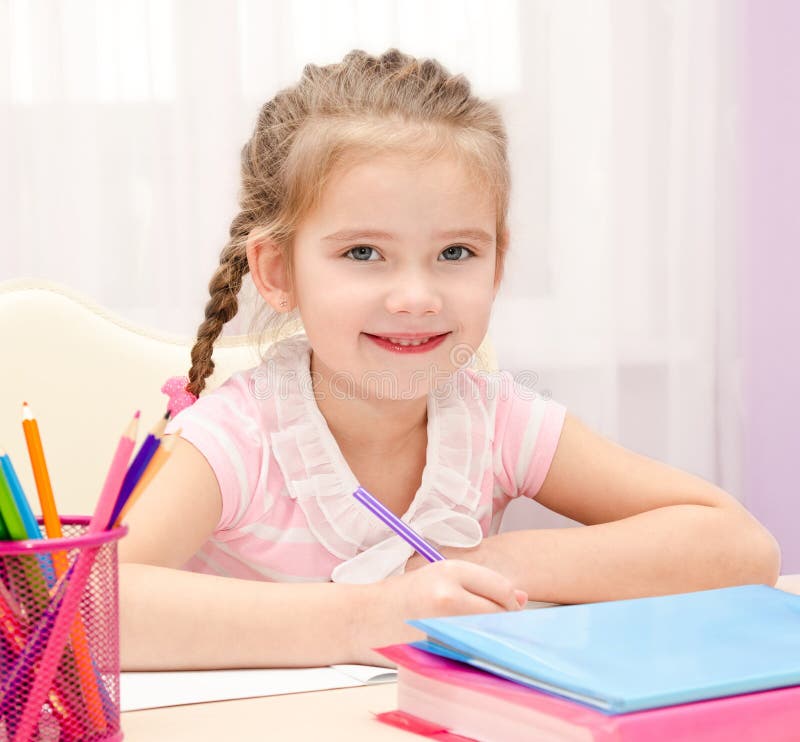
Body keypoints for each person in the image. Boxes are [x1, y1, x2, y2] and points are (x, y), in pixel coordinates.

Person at [119, 48, 780, 671]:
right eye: (363, 253)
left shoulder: (496, 419)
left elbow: (741, 547)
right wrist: (365, 619)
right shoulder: (233, 441)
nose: (416, 296)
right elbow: (84, 611)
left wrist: (492, 559)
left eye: (457, 253)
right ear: (278, 270)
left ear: (497, 262)